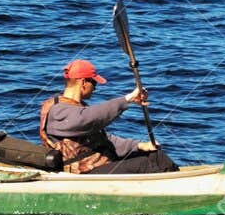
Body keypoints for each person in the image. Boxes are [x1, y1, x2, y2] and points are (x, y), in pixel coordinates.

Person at [39, 59, 179, 175]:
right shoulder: (57, 111)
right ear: (83, 83)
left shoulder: (78, 107)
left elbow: (105, 140)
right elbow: (88, 118)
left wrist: (138, 146)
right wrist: (127, 99)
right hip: (84, 174)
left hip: (100, 163)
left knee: (155, 156)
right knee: (146, 164)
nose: (95, 88)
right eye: (93, 83)